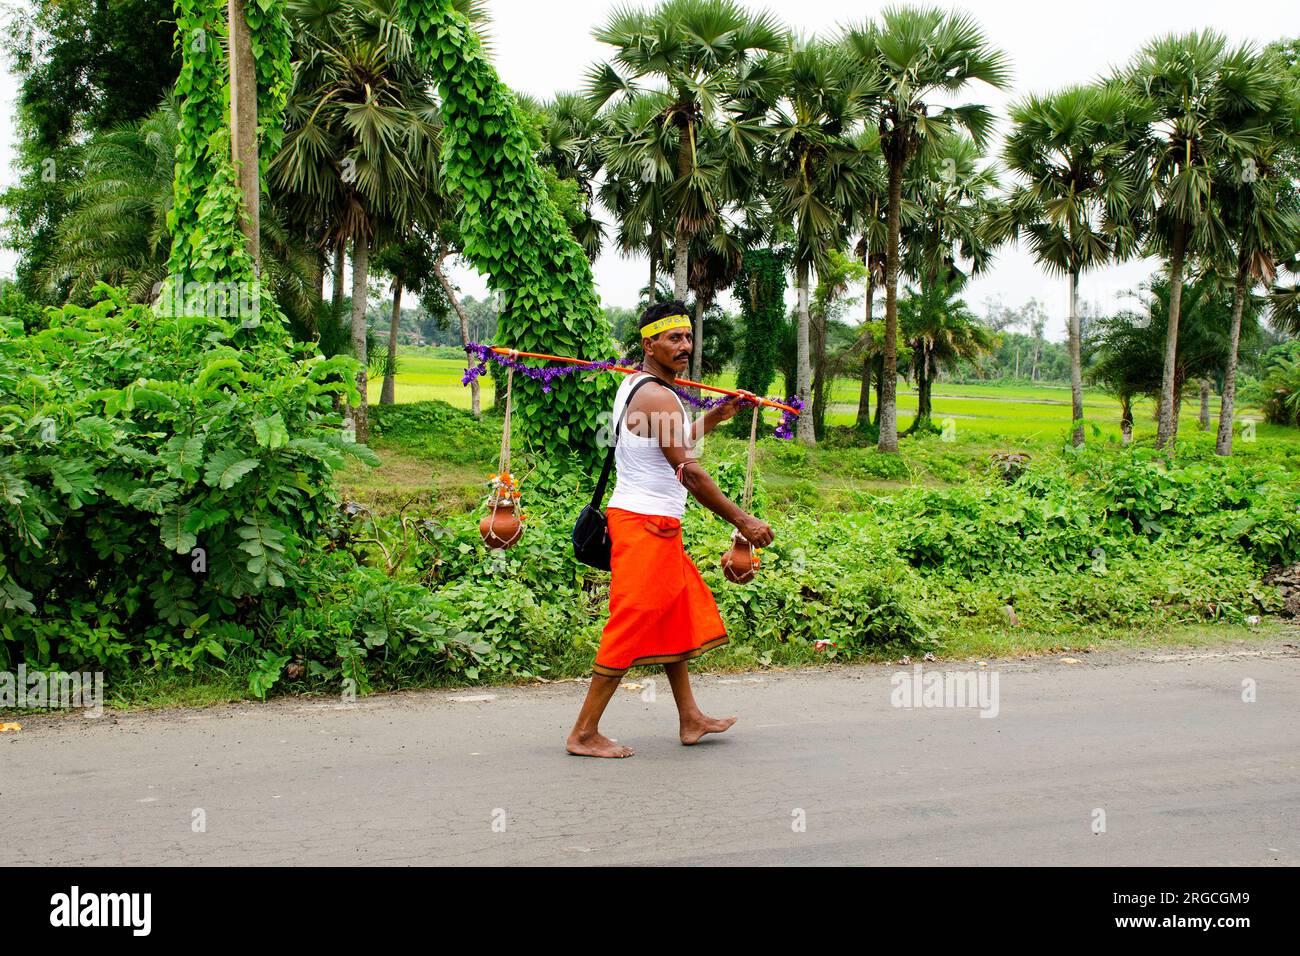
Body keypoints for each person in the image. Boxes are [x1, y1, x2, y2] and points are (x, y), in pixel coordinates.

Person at [565, 301, 775, 758]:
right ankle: (583, 733)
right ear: (649, 344)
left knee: (674, 617)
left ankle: (690, 718)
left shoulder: (640, 387)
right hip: (643, 526)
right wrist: (743, 519)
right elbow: (690, 471)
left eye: (687, 337)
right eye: (673, 339)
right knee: (631, 622)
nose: (685, 346)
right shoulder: (658, 395)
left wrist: (715, 417)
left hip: (655, 524)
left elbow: (671, 442)